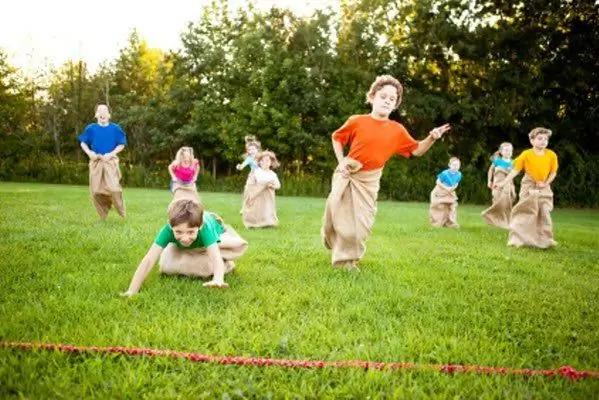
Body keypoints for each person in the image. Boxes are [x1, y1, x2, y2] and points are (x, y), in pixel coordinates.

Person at [321, 75, 451, 270]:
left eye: (392, 99)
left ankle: (348, 257)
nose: (387, 101)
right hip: (348, 174)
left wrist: (432, 138)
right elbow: (336, 137)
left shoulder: (397, 130)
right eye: (383, 96)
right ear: (372, 97)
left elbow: (416, 150)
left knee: (361, 226)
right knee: (337, 216)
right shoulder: (357, 121)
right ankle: (345, 261)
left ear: (395, 105)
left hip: (370, 181)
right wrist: (341, 163)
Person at [122, 199, 249, 295]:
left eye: (190, 232)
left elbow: (215, 256)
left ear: (198, 227)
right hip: (195, 233)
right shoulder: (167, 230)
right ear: (171, 227)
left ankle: (226, 264)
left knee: (210, 264)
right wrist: (132, 290)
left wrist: (218, 279)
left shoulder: (205, 228)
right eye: (178, 232)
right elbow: (149, 259)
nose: (185, 238)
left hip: (215, 229)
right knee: (167, 266)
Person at [495, 127, 558, 248]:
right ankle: (517, 239)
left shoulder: (551, 155)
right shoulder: (526, 154)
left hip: (544, 187)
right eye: (540, 138)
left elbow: (553, 173)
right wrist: (502, 183)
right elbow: (514, 171)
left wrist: (545, 183)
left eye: (546, 139)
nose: (543, 141)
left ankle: (545, 240)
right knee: (525, 212)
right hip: (528, 185)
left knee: (544, 212)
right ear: (532, 140)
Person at [78, 104, 127, 220]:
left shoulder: (115, 128)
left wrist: (111, 154)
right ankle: (103, 214)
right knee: (96, 191)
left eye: (105, 110)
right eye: (99, 111)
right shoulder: (91, 128)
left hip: (110, 161)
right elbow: (83, 143)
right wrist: (90, 153)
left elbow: (121, 145)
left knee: (114, 189)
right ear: (96, 115)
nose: (102, 113)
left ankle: (121, 210)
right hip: (96, 161)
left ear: (109, 115)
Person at [242, 150, 281, 228]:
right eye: (262, 161)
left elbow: (278, 185)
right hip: (257, 195)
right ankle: (253, 223)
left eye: (267, 161)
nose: (264, 163)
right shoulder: (256, 171)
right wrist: (258, 185)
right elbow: (251, 183)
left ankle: (268, 222)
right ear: (259, 162)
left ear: (271, 163)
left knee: (267, 210)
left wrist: (271, 185)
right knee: (256, 210)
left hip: (267, 197)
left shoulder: (272, 174)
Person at [481, 142, 515, 229]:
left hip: (508, 186)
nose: (508, 152)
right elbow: (491, 170)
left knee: (507, 203)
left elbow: (513, 175)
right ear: (501, 151)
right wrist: (489, 181)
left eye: (510, 150)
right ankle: (495, 220)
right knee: (497, 200)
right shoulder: (497, 160)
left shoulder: (513, 162)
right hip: (497, 185)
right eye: (506, 150)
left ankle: (506, 222)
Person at [429, 157, 462, 228]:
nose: (456, 167)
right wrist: (446, 188)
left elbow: (456, 182)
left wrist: (453, 188)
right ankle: (437, 222)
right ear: (449, 165)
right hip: (441, 190)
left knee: (452, 206)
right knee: (439, 206)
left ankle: (451, 223)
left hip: (451, 191)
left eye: (458, 165)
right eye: (454, 165)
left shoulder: (459, 174)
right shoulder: (445, 173)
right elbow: (437, 182)